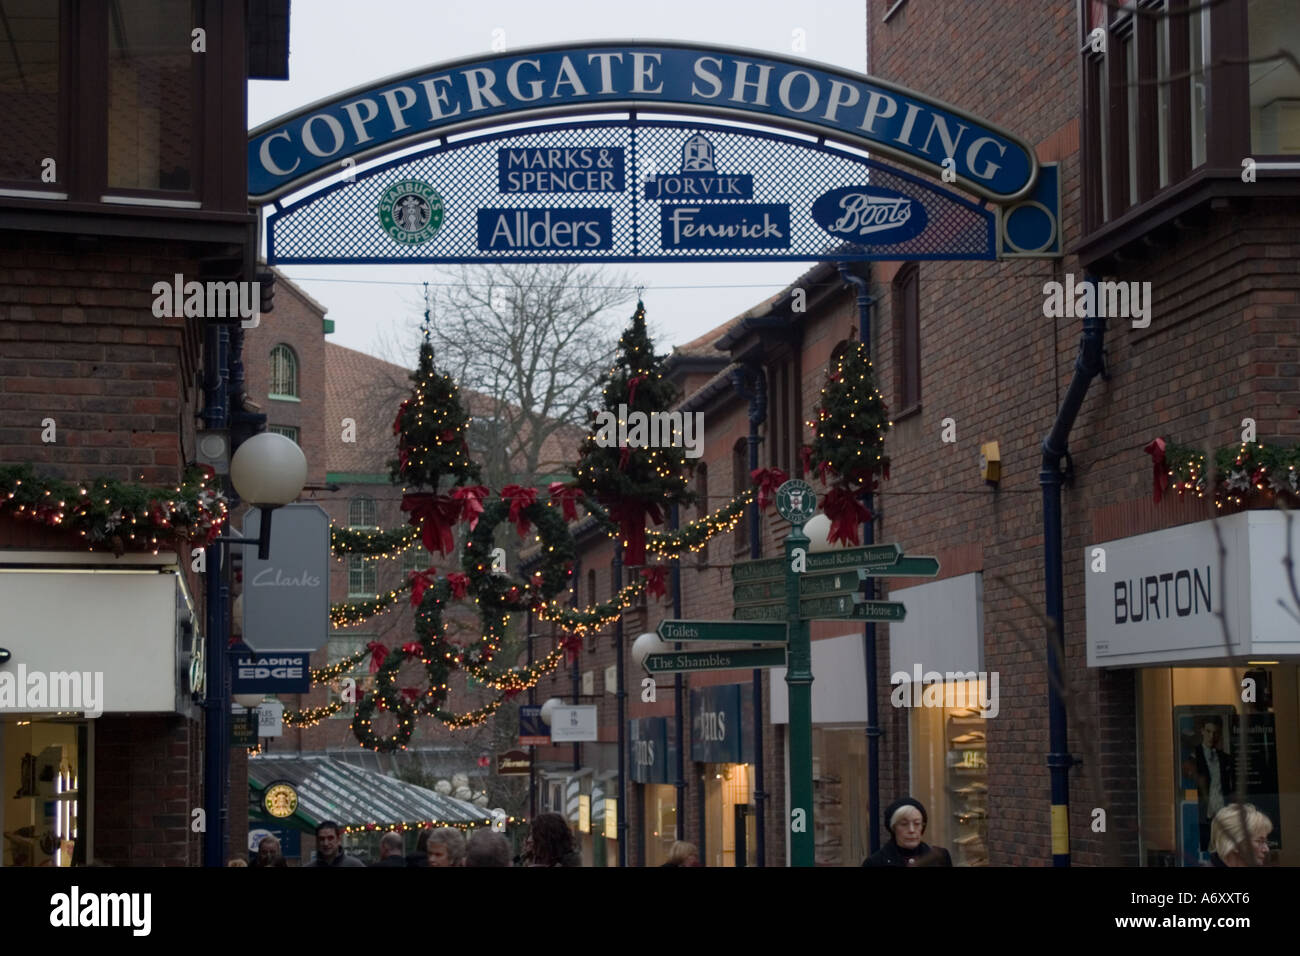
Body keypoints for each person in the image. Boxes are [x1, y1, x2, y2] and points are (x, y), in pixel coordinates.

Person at [1188, 719, 1236, 853]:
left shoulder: (1225, 758)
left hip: (1223, 813)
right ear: (1202, 731)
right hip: (1204, 814)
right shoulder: (1193, 755)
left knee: (1225, 850)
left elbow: (1230, 787)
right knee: (1205, 850)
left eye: (1215, 733)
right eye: (1208, 731)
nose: (1211, 736)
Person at [862, 797, 952, 867]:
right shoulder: (875, 863)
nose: (911, 830)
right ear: (893, 828)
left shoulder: (940, 858)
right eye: (904, 824)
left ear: (922, 826)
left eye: (917, 823)